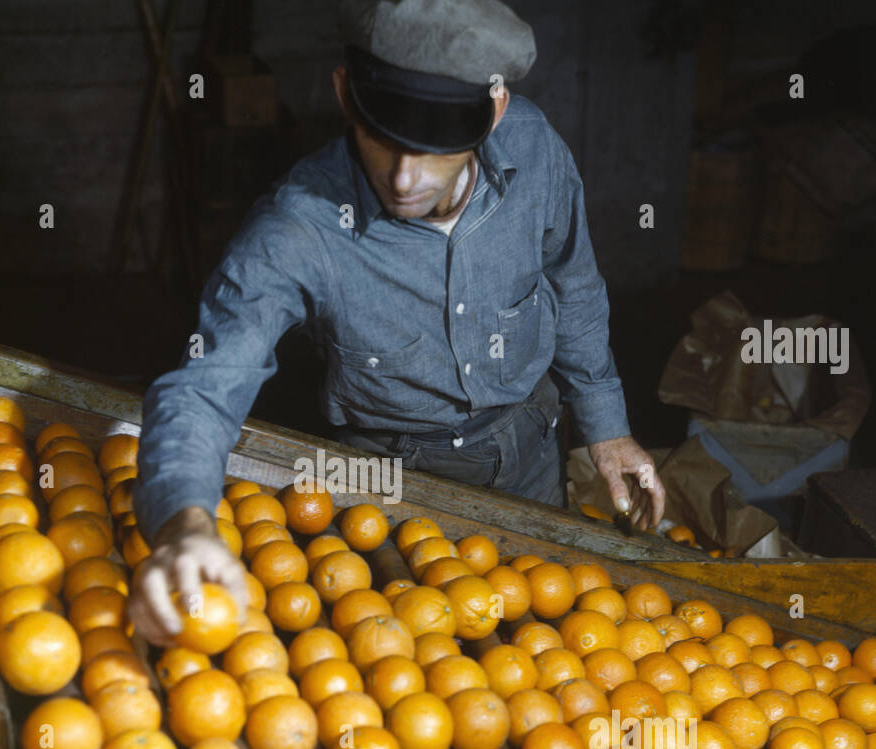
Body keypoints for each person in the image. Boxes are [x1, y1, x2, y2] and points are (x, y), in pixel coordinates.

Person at [129, 0, 666, 643]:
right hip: (386, 492)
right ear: (345, 96)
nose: (404, 178)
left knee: (534, 649)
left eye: (435, 147)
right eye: (382, 136)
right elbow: (207, 383)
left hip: (528, 461)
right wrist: (184, 521)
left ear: (493, 111)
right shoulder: (300, 228)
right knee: (403, 661)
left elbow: (573, 285)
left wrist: (606, 430)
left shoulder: (535, 151)